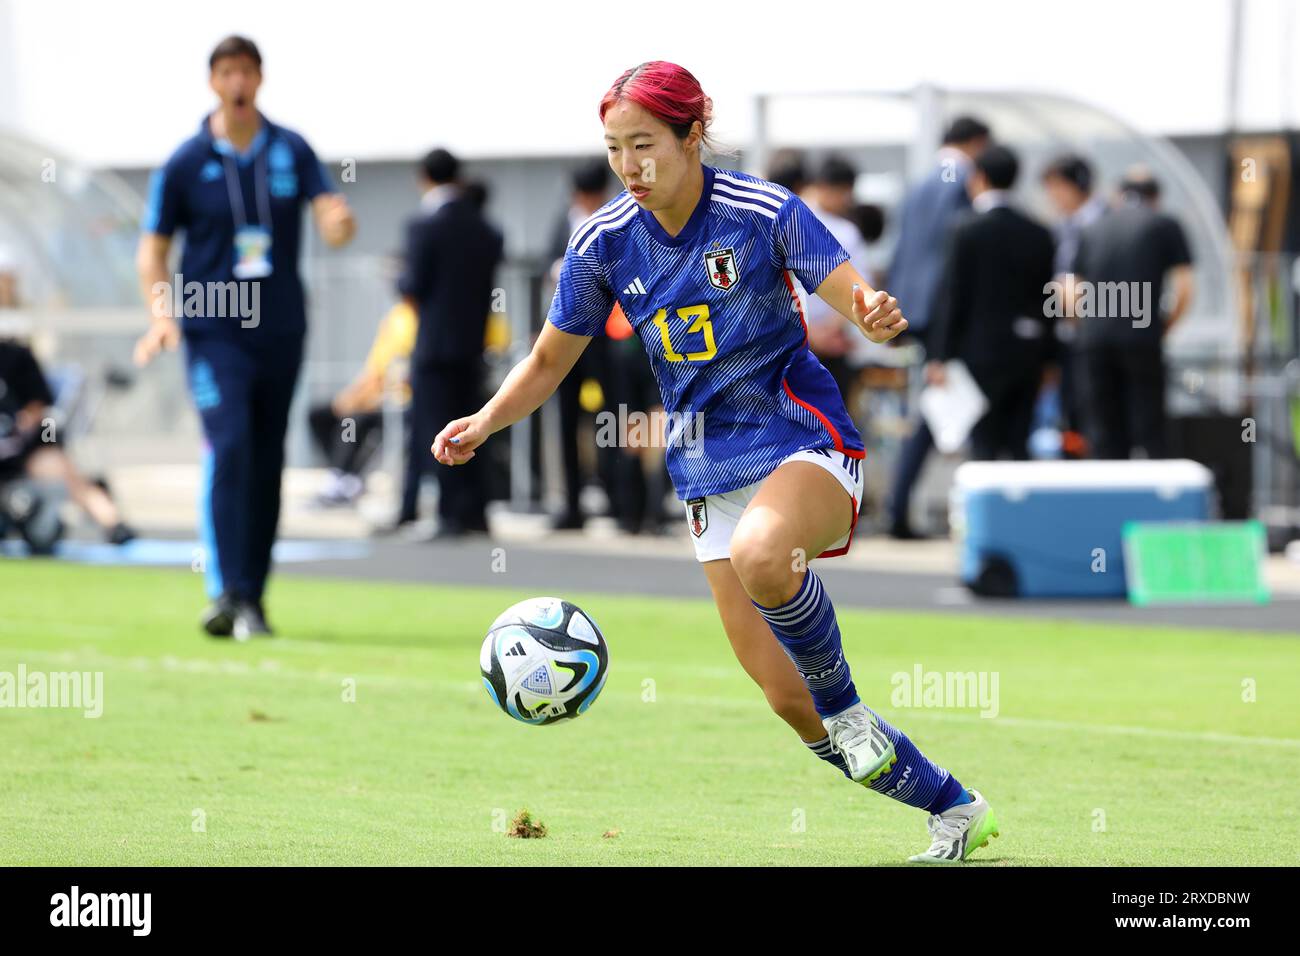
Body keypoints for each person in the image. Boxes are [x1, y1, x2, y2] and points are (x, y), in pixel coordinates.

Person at [432, 61, 997, 864]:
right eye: (615, 149)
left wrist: (869, 311)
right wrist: (486, 421)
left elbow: (846, 291)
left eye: (645, 144)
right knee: (786, 699)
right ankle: (954, 807)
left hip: (803, 443)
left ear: (693, 134)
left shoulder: (760, 210)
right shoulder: (602, 243)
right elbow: (551, 361)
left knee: (772, 563)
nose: (629, 166)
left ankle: (851, 710)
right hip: (706, 477)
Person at [133, 35, 356, 638]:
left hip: (279, 326)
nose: (237, 83)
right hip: (212, 330)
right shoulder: (185, 162)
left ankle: (253, 597)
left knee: (266, 460)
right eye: (226, 72)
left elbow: (330, 217)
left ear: (260, 79)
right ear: (213, 81)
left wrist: (339, 224)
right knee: (229, 446)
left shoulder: (290, 148)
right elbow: (152, 250)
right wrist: (161, 314)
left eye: (247, 72)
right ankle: (226, 592)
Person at [885, 116, 990, 538]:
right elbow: (962, 255)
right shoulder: (963, 182)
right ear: (977, 143)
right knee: (948, 410)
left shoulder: (919, 185)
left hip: (912, 309)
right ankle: (980, 512)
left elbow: (901, 248)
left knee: (934, 409)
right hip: (948, 314)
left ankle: (899, 506)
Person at [397, 149, 504, 537]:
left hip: (433, 345)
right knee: (476, 427)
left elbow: (412, 287)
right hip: (473, 345)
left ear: (424, 176)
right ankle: (475, 513)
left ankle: (446, 513)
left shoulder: (423, 227)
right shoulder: (486, 230)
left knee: (435, 428)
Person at [927, 145, 1057, 460]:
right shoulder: (1039, 232)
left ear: (979, 177)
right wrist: (1052, 359)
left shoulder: (965, 229)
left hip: (978, 354)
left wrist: (939, 355)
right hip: (1028, 353)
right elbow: (1048, 299)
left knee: (984, 444)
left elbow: (952, 297)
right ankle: (1022, 507)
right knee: (1019, 442)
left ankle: (988, 509)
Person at [1071, 168, 1195, 459]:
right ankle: (1155, 497)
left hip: (1094, 340)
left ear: (1118, 194)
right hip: (1142, 337)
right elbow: (1185, 287)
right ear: (1156, 197)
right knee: (1149, 424)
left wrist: (1086, 325)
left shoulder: (1092, 227)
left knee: (1103, 427)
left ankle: (1107, 498)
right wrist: (1164, 325)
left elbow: (1071, 290)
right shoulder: (1164, 224)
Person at [0, 336, 136, 544]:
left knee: (59, 467)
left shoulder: (16, 355)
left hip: (20, 450)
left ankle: (112, 523)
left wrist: (19, 433)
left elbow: (39, 408)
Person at [547, 160, 614, 530]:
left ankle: (619, 498)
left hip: (608, 339)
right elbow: (546, 268)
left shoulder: (616, 220)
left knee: (614, 419)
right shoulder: (563, 222)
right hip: (569, 335)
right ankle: (571, 503)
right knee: (567, 421)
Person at [308, 298, 416, 506]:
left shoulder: (423, 318)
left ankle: (342, 475)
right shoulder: (396, 317)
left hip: (403, 401)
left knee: (354, 421)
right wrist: (351, 397)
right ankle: (347, 475)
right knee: (319, 414)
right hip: (379, 396)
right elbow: (374, 370)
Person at [1041, 154, 1106, 457]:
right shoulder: (1061, 228)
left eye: (1056, 187)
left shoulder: (1103, 222)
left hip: (1096, 334)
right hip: (1066, 335)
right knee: (1070, 415)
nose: (1052, 197)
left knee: (1096, 414)